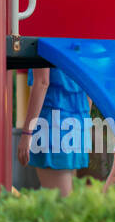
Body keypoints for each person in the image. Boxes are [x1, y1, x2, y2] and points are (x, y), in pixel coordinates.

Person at [16, 66, 89, 196]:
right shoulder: (78, 44)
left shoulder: (43, 44)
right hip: (77, 121)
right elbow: (89, 83)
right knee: (69, 199)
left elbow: (42, 82)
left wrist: (27, 133)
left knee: (60, 205)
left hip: (52, 124)